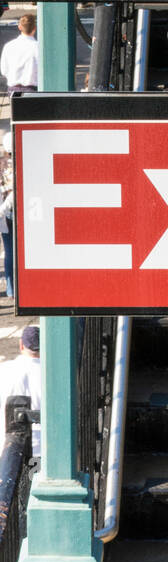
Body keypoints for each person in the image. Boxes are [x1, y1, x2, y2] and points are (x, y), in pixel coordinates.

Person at [0, 325, 41, 458]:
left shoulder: (5, 370)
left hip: (9, 449)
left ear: (21, 345)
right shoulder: (53, 374)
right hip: (44, 449)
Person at [0, 13, 38, 92]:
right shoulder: (38, 47)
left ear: (19, 27)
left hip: (13, 89)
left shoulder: (9, 46)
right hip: (33, 89)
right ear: (35, 28)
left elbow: (4, 70)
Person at [0, 133, 13, 301]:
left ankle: (11, 290)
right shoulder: (13, 167)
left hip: (7, 216)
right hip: (13, 215)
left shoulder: (6, 168)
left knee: (9, 251)